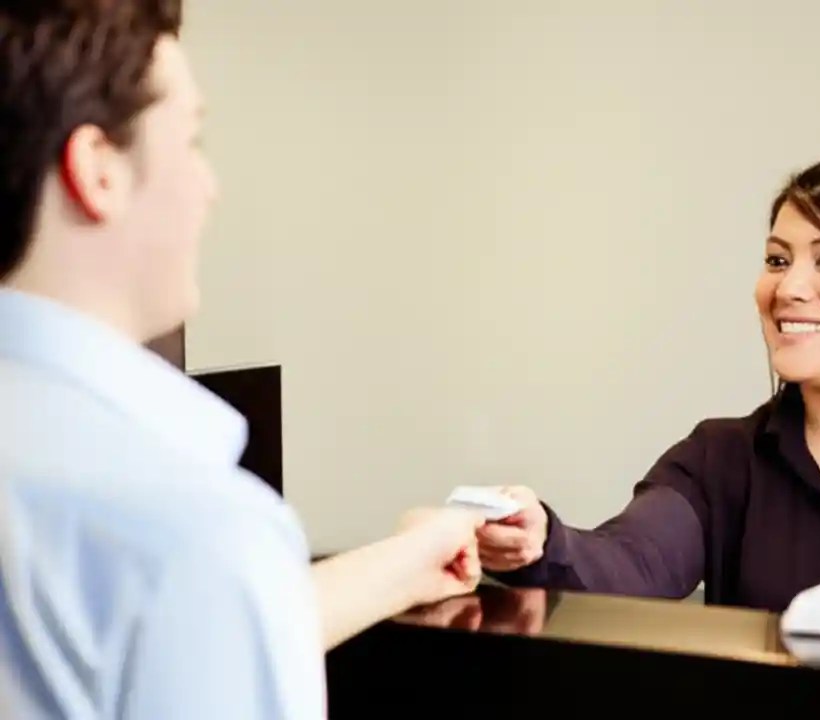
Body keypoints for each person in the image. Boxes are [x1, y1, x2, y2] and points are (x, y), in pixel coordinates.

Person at [0, 2, 481, 718]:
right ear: (98, 169)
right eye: (191, 140)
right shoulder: (191, 531)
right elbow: (189, 600)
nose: (208, 186)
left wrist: (403, 564)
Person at [478, 157, 820, 628]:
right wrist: (540, 539)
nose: (789, 288)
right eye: (777, 260)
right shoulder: (719, 462)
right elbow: (631, 562)